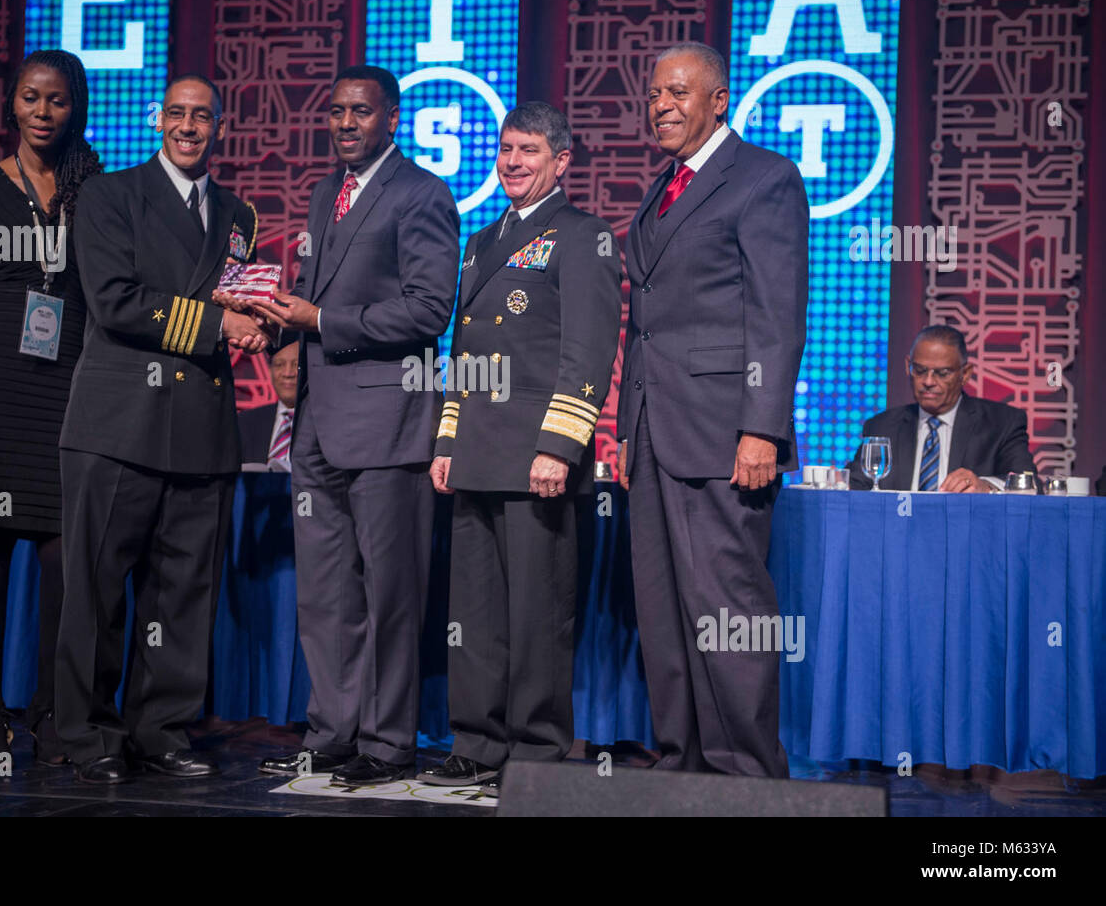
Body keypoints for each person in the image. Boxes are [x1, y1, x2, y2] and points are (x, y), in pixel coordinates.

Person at [236, 64, 459, 785]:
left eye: (360, 111)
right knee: (326, 595)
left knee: (391, 595)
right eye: (335, 111)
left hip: (390, 425)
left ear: (392, 118)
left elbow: (430, 311)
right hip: (319, 426)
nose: (344, 123)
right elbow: (310, 297)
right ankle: (330, 733)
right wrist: (275, 323)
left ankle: (388, 744)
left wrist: (321, 320)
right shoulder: (324, 191)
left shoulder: (423, 193)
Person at [55, 73, 266, 784]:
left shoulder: (240, 214)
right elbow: (116, 304)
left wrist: (263, 319)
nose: (187, 125)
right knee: (98, 588)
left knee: (183, 595)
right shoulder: (111, 196)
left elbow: (234, 298)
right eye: (175, 113)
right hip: (119, 424)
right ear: (156, 120)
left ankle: (161, 728)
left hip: (202, 430)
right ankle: (88, 734)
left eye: (201, 115)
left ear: (219, 127)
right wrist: (220, 324)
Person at [616, 42, 808, 778]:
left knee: (727, 610)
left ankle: (746, 776)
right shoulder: (661, 185)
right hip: (654, 432)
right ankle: (682, 763)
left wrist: (761, 427)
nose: (661, 105)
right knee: (663, 614)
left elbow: (777, 313)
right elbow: (648, 322)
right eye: (654, 93)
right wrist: (626, 426)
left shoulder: (763, 178)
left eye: (677, 92)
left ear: (718, 99)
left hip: (725, 434)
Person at [418, 102, 621, 797]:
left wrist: (560, 445)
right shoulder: (480, 242)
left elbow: (589, 350)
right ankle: (476, 742)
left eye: (528, 150)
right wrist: (447, 437)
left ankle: (535, 750)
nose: (512, 161)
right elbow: (462, 352)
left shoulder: (583, 235)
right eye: (506, 149)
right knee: (471, 615)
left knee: (538, 615)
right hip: (474, 453)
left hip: (537, 457)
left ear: (561, 161)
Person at [0, 50, 103, 773]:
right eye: (32, 98)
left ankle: (50, 708)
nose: (43, 111)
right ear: (12, 104)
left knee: (64, 552)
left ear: (75, 108)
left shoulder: (93, 189)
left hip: (67, 379)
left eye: (57, 100)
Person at [845, 325, 1037, 491]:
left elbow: (1030, 484)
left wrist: (986, 487)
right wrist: (837, 482)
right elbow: (856, 485)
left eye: (942, 373)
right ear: (907, 366)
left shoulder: (1001, 423)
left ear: (965, 374)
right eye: (919, 370)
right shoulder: (882, 426)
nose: (928, 381)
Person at [238, 338, 299, 471]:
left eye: (296, 364)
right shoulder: (245, 422)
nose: (288, 373)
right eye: (279, 364)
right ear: (269, 370)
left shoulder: (324, 423)